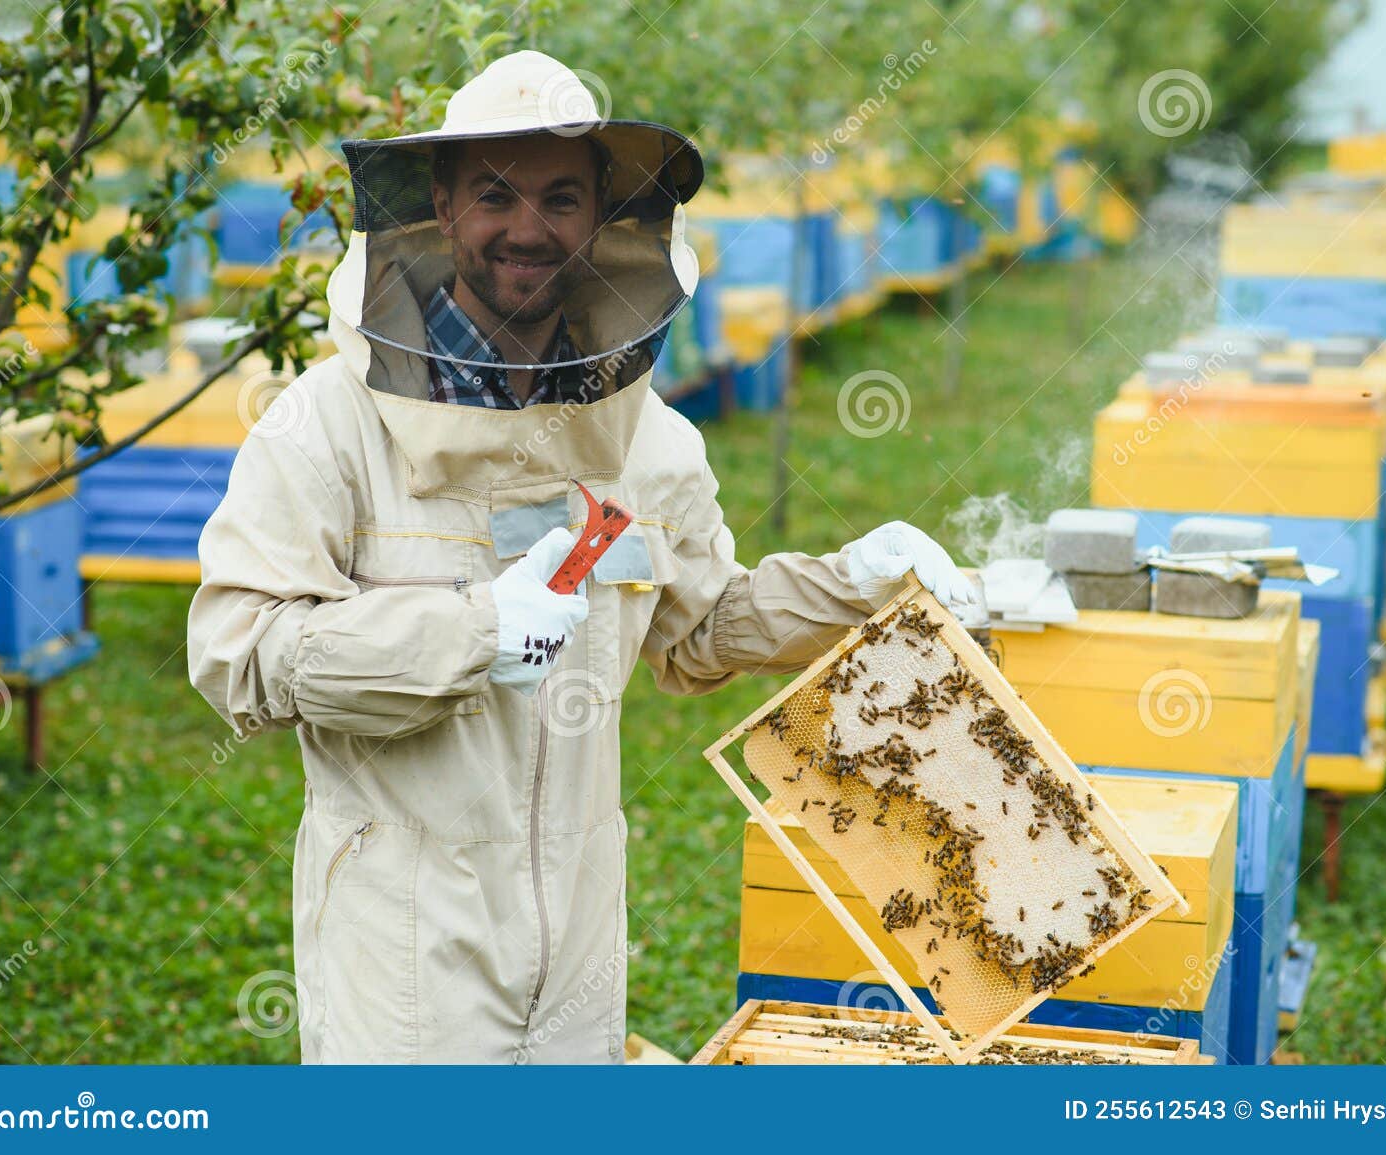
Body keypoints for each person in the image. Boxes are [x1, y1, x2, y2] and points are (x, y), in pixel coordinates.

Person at [187, 50, 978, 1064]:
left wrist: (854, 585)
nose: (528, 228)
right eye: (495, 194)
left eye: (562, 198)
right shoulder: (325, 424)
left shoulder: (647, 438)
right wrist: (469, 632)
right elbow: (238, 654)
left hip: (581, 943)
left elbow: (699, 633)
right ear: (438, 202)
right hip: (401, 945)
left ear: (605, 215)